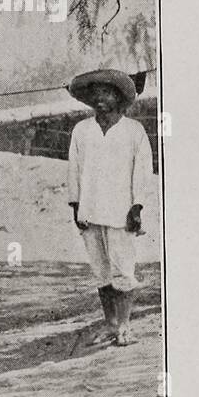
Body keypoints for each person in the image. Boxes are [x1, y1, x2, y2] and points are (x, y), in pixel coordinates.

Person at [67, 68, 153, 346]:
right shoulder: (82, 131)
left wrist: (136, 206)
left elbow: (142, 171)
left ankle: (125, 325)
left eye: (106, 93)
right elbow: (74, 170)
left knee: (123, 269)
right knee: (101, 271)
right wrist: (76, 206)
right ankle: (109, 323)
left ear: (118, 97)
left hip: (120, 211)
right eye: (95, 94)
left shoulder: (133, 131)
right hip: (90, 211)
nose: (100, 99)